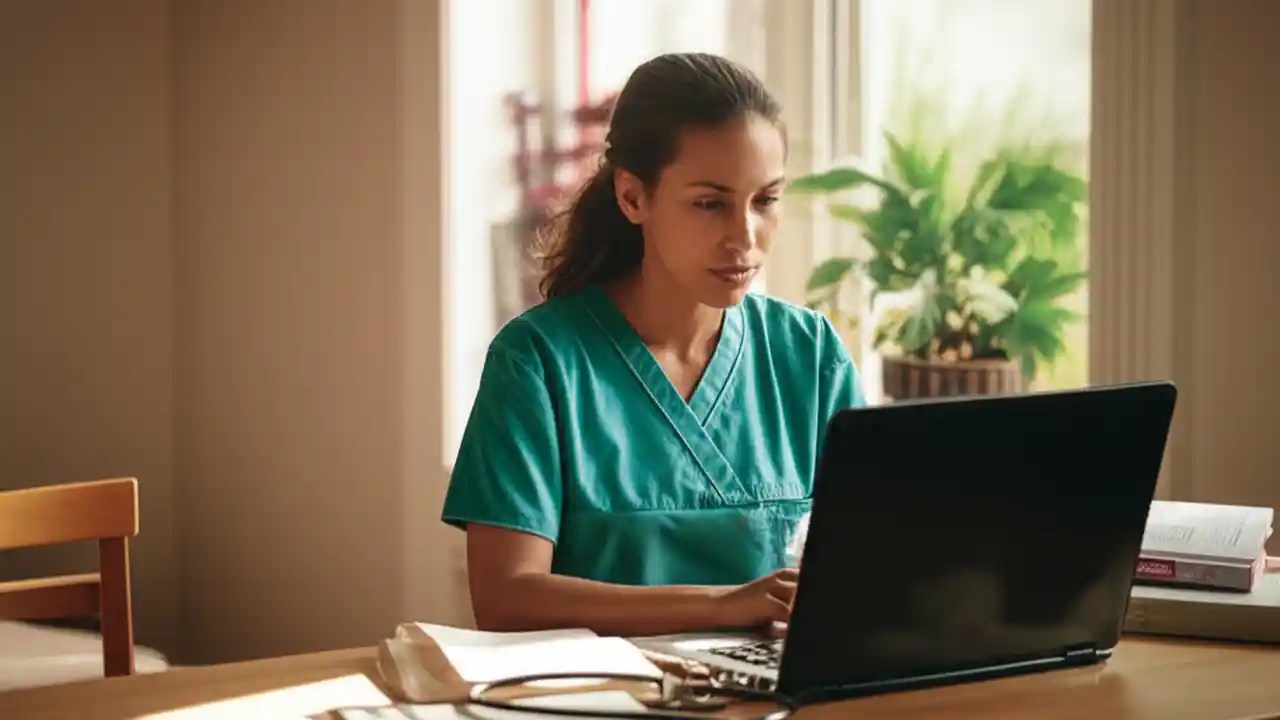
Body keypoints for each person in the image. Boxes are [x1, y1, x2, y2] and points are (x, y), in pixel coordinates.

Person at [441, 52, 865, 638]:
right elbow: (505, 597)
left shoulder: (810, 355)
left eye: (765, 200)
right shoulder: (537, 361)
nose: (744, 237)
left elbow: (871, 565)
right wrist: (719, 607)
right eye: (710, 203)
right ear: (633, 197)